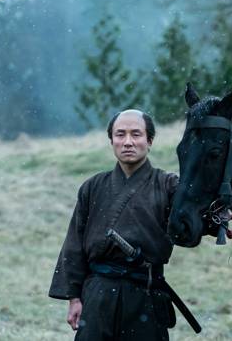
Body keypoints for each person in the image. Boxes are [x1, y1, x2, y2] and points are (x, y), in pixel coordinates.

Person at [49, 110, 179, 340]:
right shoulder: (93, 187)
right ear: (112, 141)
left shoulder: (168, 185)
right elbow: (74, 244)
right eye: (120, 134)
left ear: (149, 141)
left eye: (136, 134)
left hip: (146, 293)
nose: (128, 142)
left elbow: (195, 219)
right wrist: (74, 298)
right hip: (98, 295)